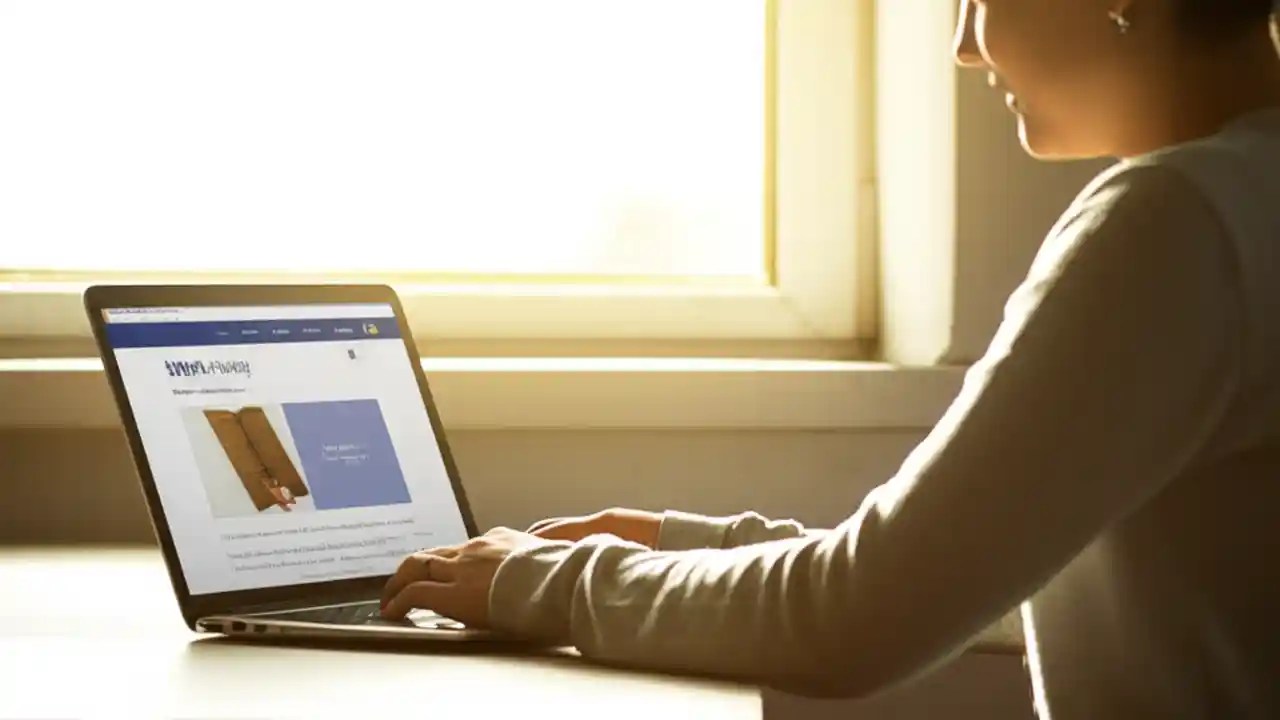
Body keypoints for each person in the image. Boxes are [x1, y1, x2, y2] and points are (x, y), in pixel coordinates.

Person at [381, 1, 1280, 717]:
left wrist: (541, 586)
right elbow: (1032, 580)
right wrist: (693, 548)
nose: (965, 47)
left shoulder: (1175, 222)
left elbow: (855, 621)